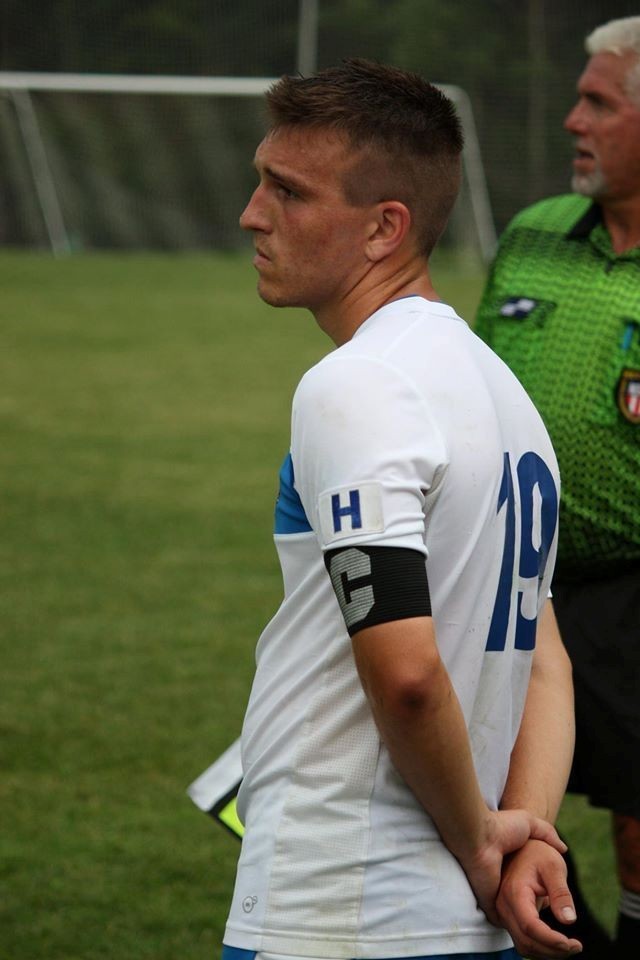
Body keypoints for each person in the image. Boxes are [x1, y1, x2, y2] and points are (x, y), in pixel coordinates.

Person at [223, 59, 580, 960]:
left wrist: (477, 839)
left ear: (385, 228)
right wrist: (523, 831)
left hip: (341, 904)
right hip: (463, 919)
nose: (252, 214)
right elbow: (546, 663)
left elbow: (408, 672)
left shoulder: (360, 383)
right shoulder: (504, 394)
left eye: (287, 191)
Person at [475, 15, 640, 960]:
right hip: (511, 580)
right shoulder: (535, 233)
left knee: (639, 819)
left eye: (598, 102)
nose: (573, 119)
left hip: (632, 590)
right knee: (498, 798)